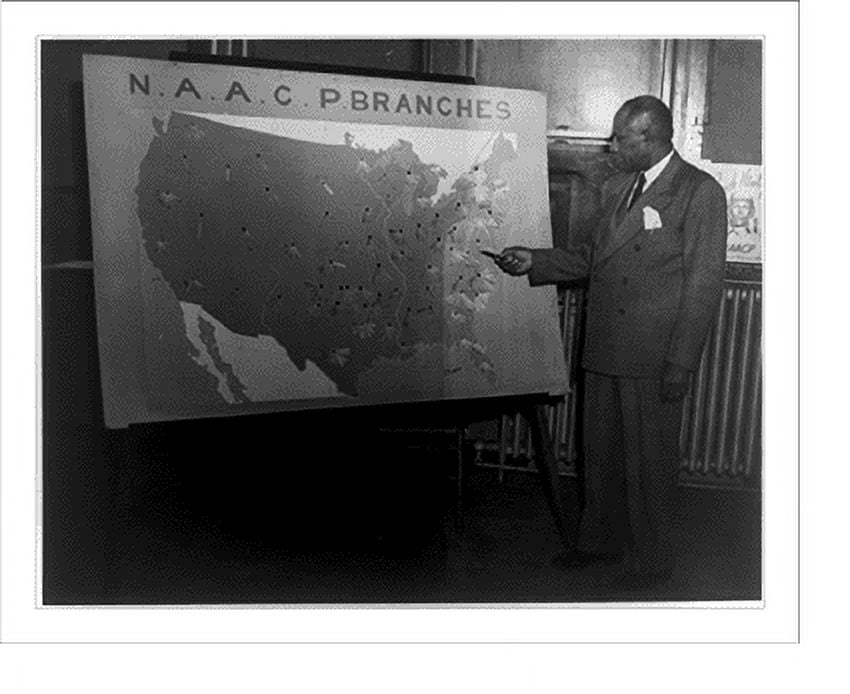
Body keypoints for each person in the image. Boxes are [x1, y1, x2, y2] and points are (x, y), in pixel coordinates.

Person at [495, 95, 727, 589]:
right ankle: (598, 544)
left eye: (621, 139)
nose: (613, 147)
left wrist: (681, 362)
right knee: (599, 456)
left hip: (653, 354)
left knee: (649, 464)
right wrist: (535, 259)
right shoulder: (620, 186)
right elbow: (592, 257)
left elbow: (703, 285)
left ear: (649, 136)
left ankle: (651, 560)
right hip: (605, 345)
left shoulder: (699, 191)